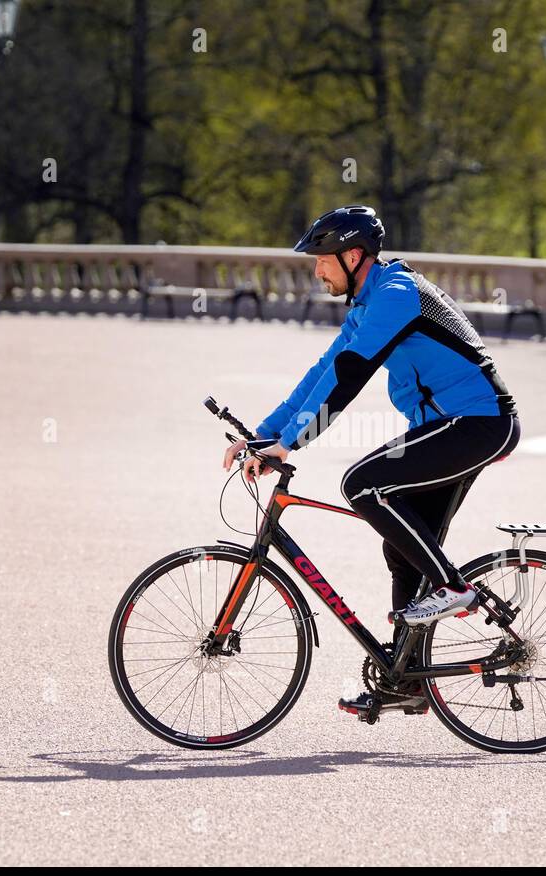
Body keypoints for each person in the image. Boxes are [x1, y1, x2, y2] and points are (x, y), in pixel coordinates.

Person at [220, 204, 520, 715]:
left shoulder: (397, 297)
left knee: (362, 484)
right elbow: (324, 371)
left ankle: (453, 588)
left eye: (322, 259)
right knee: (402, 546)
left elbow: (349, 378)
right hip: (443, 426)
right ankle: (408, 679)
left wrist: (292, 444)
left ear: (353, 255)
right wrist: (266, 434)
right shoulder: (368, 301)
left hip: (478, 422)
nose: (316, 270)